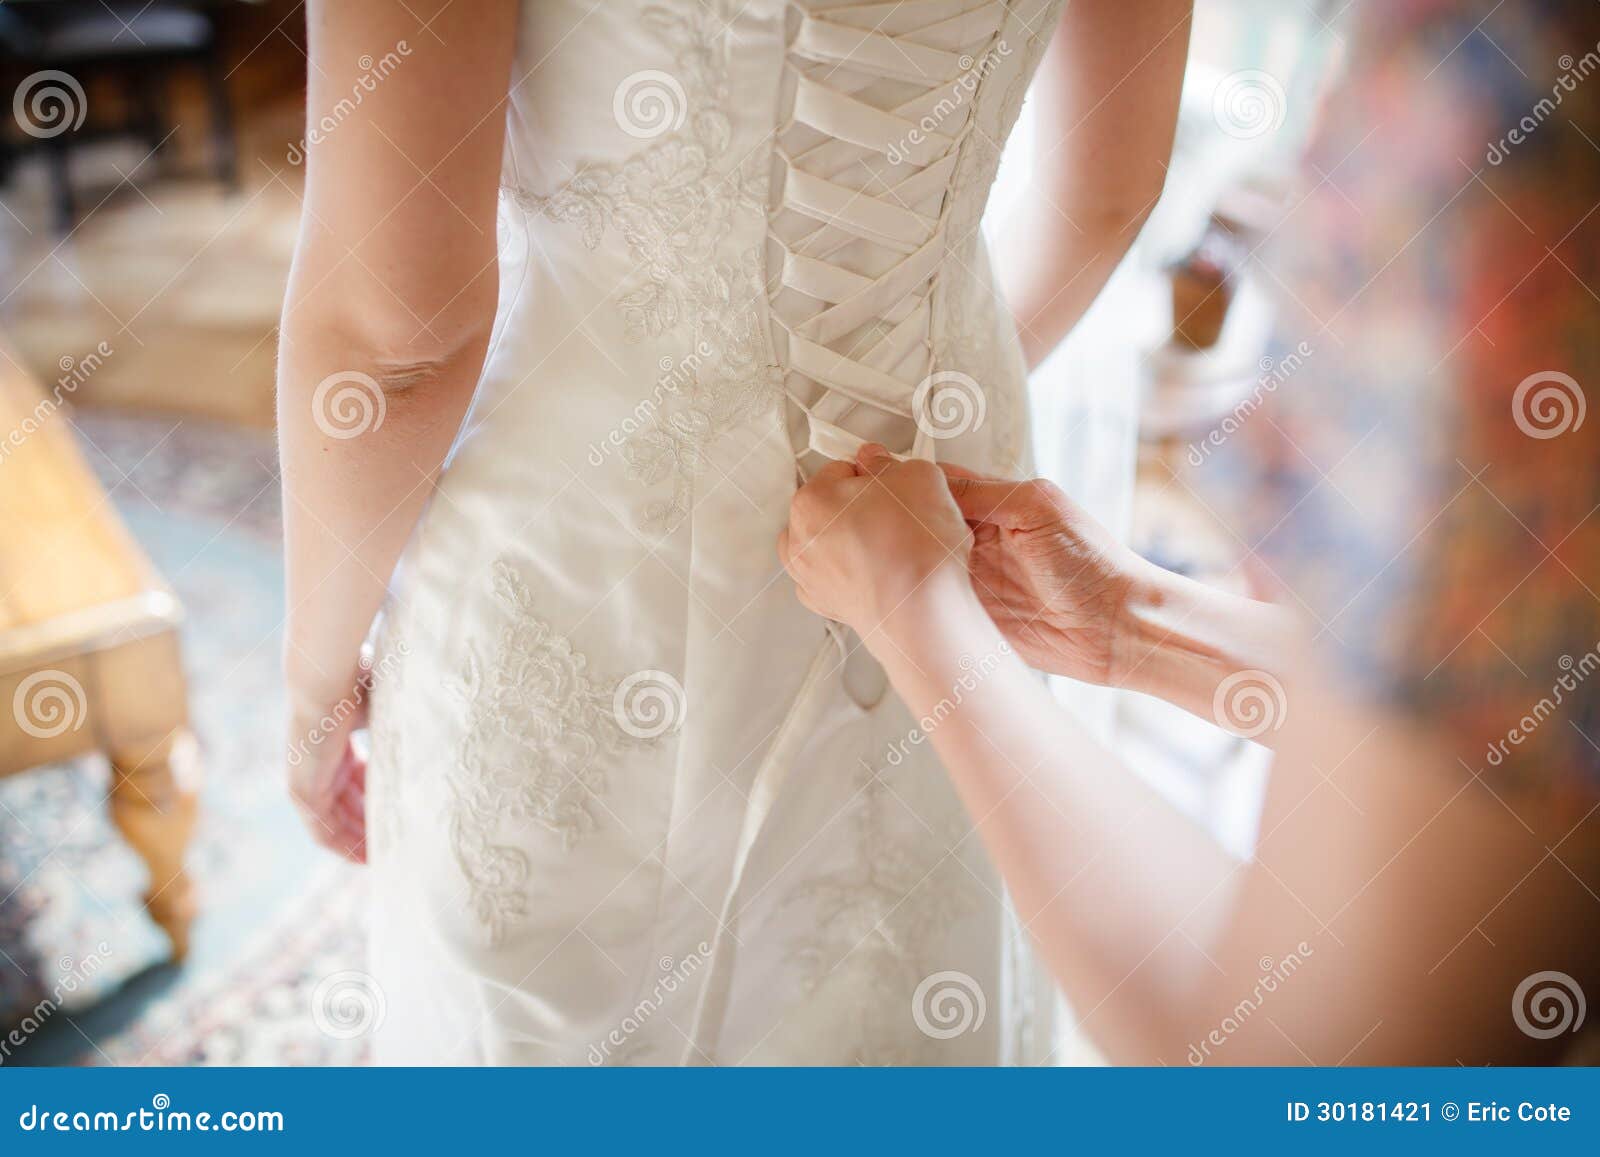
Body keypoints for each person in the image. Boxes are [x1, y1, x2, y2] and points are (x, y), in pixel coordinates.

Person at [275, 0, 1193, 1064]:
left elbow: (394, 338)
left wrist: (313, 686)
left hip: (586, 533)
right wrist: (894, 450)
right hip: (944, 510)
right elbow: (1107, 199)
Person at [780, 0, 1600, 1064]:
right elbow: (1538, 727)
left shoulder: (1504, 122)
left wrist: (925, 621)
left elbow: (1315, 1087)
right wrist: (1135, 622)